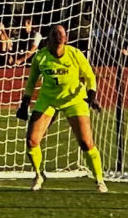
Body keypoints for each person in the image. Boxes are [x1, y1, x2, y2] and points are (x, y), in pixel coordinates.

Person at [20, 23, 106, 192]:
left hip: (74, 99)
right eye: (55, 33)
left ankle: (99, 180)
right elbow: (31, 82)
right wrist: (24, 104)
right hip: (48, 100)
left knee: (86, 143)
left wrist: (92, 96)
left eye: (62, 34)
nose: (59, 36)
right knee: (32, 140)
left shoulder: (75, 54)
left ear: (66, 39)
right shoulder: (41, 57)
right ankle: (38, 175)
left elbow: (89, 76)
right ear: (49, 38)